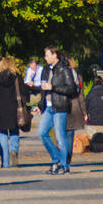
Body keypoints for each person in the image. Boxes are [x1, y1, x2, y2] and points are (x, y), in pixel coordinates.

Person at [38, 45, 77, 174]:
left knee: (60, 137)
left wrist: (53, 87)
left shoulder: (63, 69)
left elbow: (71, 89)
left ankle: (64, 165)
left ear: (55, 55)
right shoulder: (47, 69)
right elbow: (44, 89)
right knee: (42, 133)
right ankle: (57, 159)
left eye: (47, 55)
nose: (45, 58)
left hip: (60, 106)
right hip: (48, 106)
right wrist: (39, 104)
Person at [0, 56, 29, 167]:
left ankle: (5, 160)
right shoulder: (17, 77)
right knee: (14, 131)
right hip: (15, 109)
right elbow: (24, 92)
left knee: (3, 133)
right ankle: (14, 150)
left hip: (0, 109)